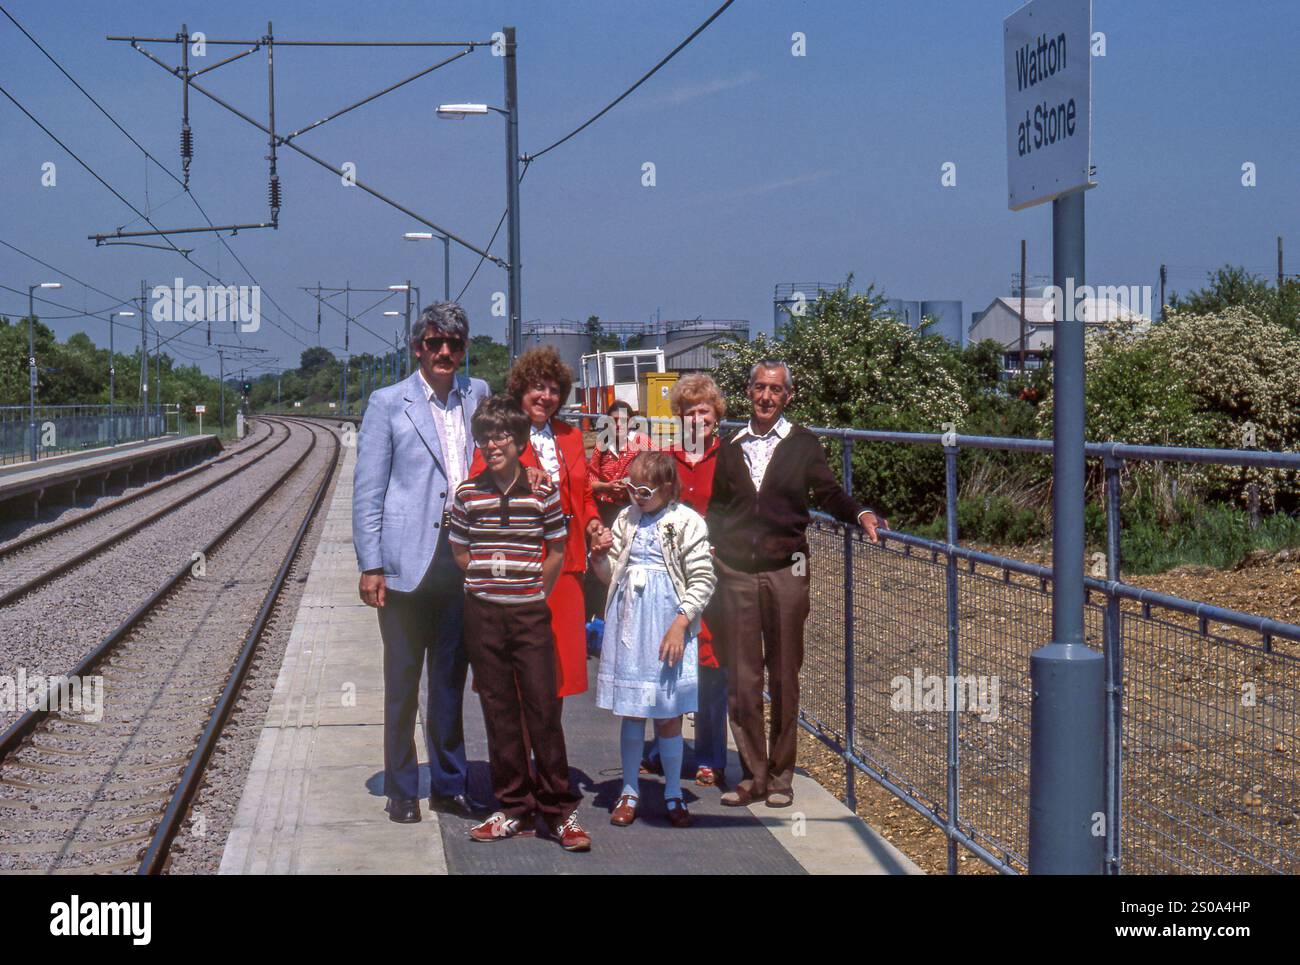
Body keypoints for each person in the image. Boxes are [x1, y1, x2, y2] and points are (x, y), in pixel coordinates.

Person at [707, 359, 886, 809]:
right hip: (736, 573)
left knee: (784, 674)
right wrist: (710, 544)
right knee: (743, 680)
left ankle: (782, 776)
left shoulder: (802, 443)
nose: (765, 397)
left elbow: (828, 493)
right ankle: (752, 774)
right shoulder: (732, 446)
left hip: (788, 569)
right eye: (758, 388)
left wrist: (860, 513)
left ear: (787, 396)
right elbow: (718, 505)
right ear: (748, 392)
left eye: (775, 390)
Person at [353, 302, 489, 824]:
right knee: (403, 681)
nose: (446, 353)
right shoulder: (389, 403)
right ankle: (403, 786)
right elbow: (369, 489)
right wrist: (371, 564)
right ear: (418, 349)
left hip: (463, 560)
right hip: (407, 563)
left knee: (450, 681)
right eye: (436, 344)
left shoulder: (476, 396)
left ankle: (449, 782)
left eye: (455, 344)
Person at [448, 394, 592, 851]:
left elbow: (555, 550)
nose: (493, 445)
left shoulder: (542, 490)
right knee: (498, 710)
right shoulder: (468, 494)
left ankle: (560, 811)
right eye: (485, 437)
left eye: (502, 436)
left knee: (543, 709)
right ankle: (512, 808)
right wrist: (489, 584)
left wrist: (532, 590)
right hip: (484, 614)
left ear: (519, 441)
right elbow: (460, 551)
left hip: (529, 613)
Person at [468, 345, 610, 698]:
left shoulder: (571, 436)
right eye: (538, 387)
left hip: (567, 566)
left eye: (553, 389)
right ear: (521, 389)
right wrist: (517, 474)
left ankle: (547, 753)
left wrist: (592, 524)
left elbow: (585, 495)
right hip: (520, 568)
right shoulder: (500, 435)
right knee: (518, 676)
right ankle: (518, 753)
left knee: (556, 676)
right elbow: (474, 486)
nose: (545, 396)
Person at [590, 451, 716, 828]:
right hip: (631, 622)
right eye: (631, 487)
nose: (636, 496)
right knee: (632, 711)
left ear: (667, 488)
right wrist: (597, 557)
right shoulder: (627, 519)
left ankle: (674, 792)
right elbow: (611, 574)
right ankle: (629, 790)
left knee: (668, 714)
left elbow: (703, 578)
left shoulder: (686, 521)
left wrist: (681, 623)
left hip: (667, 624)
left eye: (645, 490)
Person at [641, 374, 730, 787]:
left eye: (705, 411)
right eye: (690, 411)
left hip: (715, 572)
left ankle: (711, 755)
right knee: (669, 658)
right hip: (670, 571)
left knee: (711, 661)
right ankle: (662, 747)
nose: (698, 418)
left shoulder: (729, 457)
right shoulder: (666, 460)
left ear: (717, 415)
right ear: (679, 417)